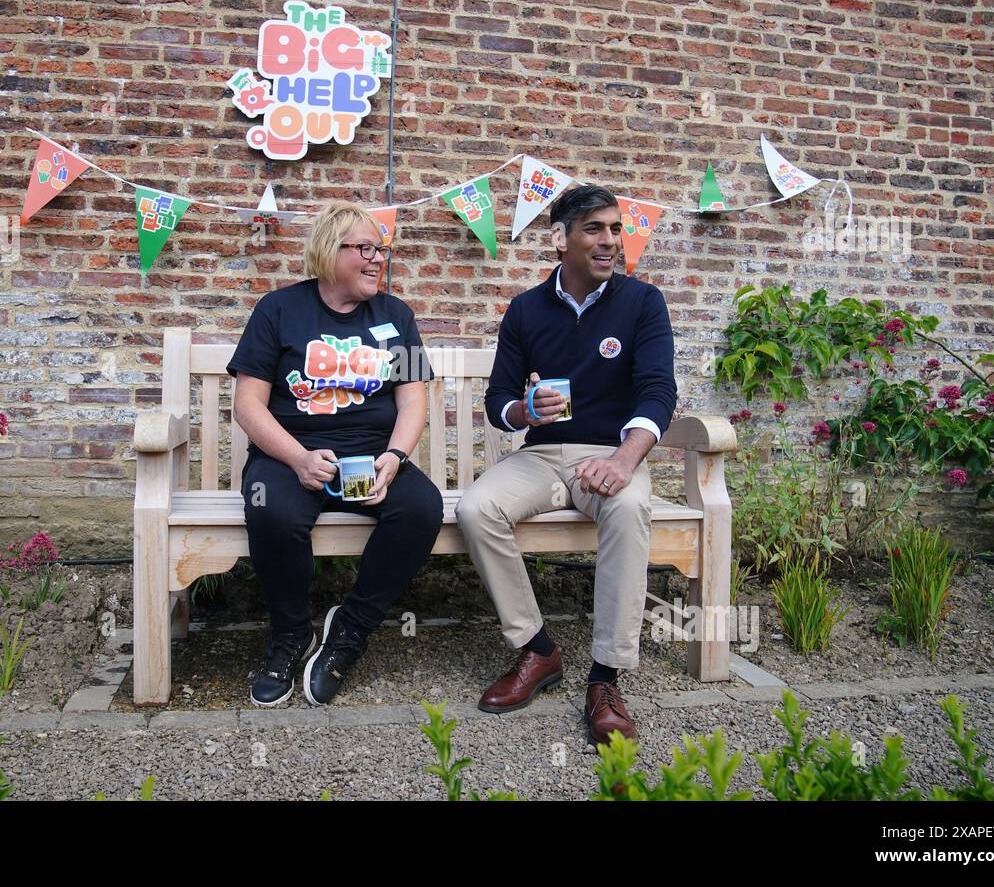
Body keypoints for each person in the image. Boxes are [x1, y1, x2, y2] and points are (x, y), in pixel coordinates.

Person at [456, 185, 677, 744]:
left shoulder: (642, 303)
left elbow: (658, 392)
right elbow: (498, 402)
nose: (609, 241)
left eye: (614, 229)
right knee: (477, 507)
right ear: (560, 240)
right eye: (594, 230)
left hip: (609, 456)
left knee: (627, 507)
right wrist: (523, 409)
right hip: (541, 455)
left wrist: (625, 460)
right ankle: (538, 651)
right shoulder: (527, 309)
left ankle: (605, 677)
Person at [227, 201, 443, 707]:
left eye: (381, 250)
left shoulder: (396, 315)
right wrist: (299, 459)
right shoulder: (277, 310)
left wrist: (395, 455)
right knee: (272, 511)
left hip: (371, 459)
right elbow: (247, 404)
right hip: (289, 459)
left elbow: (413, 395)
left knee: (422, 508)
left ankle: (350, 628)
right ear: (330, 250)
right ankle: (290, 634)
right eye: (365, 248)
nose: (377, 259)